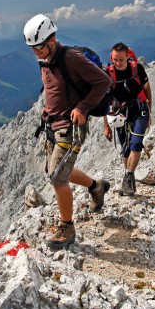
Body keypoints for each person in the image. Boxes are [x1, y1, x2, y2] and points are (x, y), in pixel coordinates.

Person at [25, 14, 111, 250]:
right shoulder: (46, 59)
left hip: (71, 127)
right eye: (32, 48)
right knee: (58, 170)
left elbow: (104, 82)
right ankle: (96, 187)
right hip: (53, 125)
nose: (35, 52)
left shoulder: (71, 58)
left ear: (52, 40)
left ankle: (67, 227)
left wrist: (82, 108)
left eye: (39, 47)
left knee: (57, 177)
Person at [102, 42, 152, 196]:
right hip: (120, 113)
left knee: (136, 144)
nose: (118, 63)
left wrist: (149, 113)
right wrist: (106, 126)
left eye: (121, 60)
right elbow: (105, 101)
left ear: (127, 57)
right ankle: (128, 179)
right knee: (125, 149)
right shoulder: (108, 73)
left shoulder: (137, 69)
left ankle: (129, 176)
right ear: (111, 57)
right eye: (115, 60)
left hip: (139, 109)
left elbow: (147, 89)